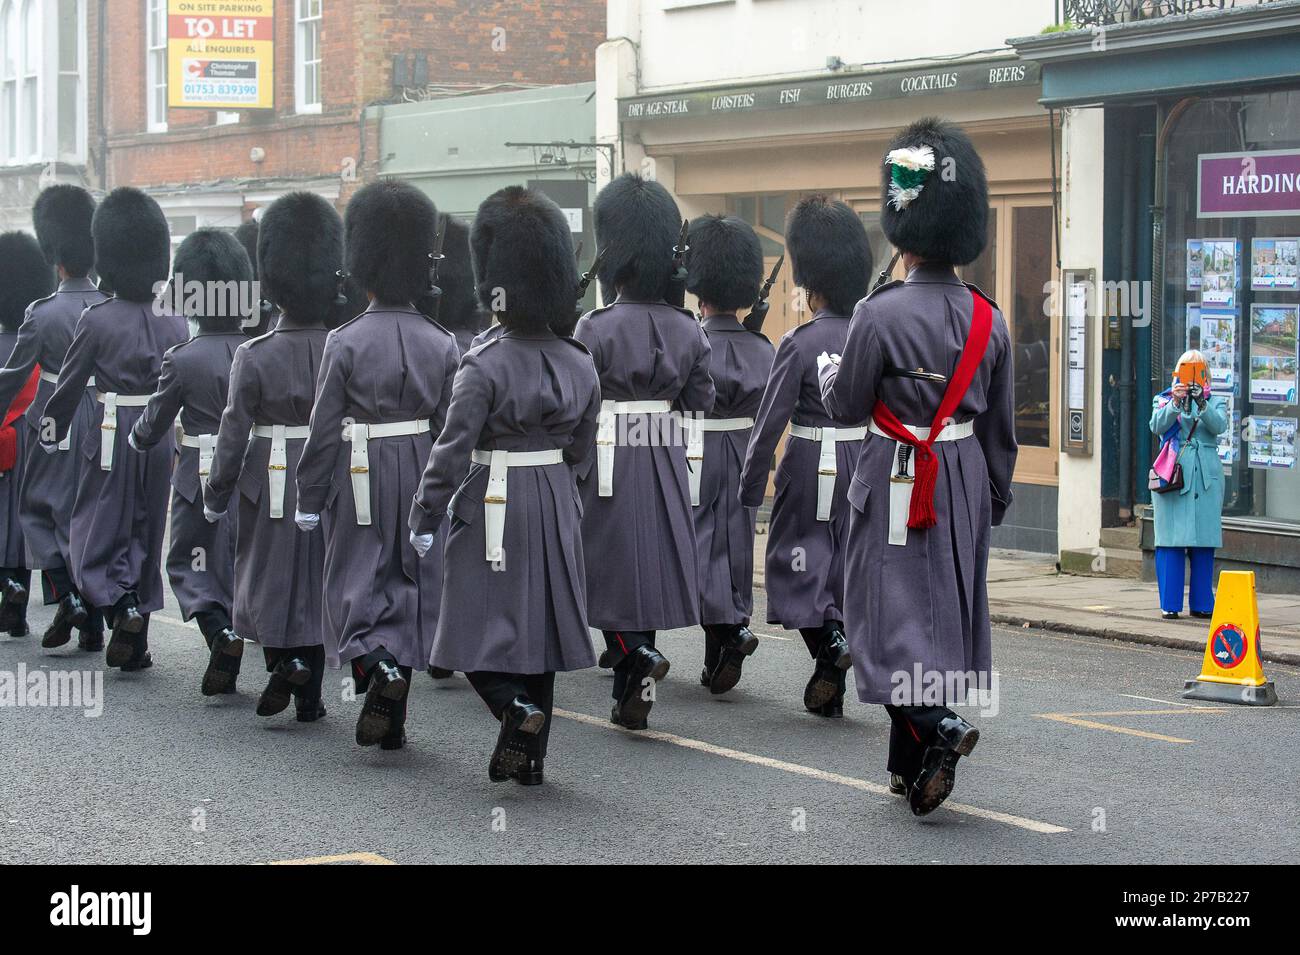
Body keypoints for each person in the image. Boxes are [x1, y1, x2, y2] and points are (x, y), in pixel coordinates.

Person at [819, 118, 1017, 815]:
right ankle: (908, 767)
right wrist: (990, 500)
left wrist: (830, 370)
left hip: (896, 474)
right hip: (959, 479)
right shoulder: (991, 319)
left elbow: (846, 404)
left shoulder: (878, 313)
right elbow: (1000, 427)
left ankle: (937, 728)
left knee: (882, 621)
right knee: (933, 620)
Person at [410, 186, 600, 784]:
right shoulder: (579, 360)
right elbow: (582, 447)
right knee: (538, 632)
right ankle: (531, 761)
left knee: (465, 630)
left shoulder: (483, 363)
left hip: (492, 497)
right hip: (554, 496)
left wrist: (424, 514)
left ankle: (512, 711)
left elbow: (451, 450)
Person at [296, 179, 458, 750]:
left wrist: (309, 497)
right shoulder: (440, 342)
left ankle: (376, 671)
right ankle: (395, 716)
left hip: (358, 470)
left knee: (353, 582)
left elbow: (322, 431)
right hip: (418, 466)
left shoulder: (344, 341)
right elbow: (449, 429)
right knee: (410, 586)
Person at [574, 173, 715, 730]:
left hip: (609, 447)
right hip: (663, 448)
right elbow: (700, 400)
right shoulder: (687, 327)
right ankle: (638, 681)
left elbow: (580, 398)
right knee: (651, 560)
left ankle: (634, 657)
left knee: (605, 563)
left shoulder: (596, 324)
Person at [203, 193, 337, 722]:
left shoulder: (253, 354)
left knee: (266, 577)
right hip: (327, 468)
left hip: (271, 472)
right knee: (319, 578)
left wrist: (215, 494)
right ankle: (311, 694)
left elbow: (233, 432)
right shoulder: (339, 344)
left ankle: (284, 662)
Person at [42, 187, 187, 671]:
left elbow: (68, 385)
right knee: (146, 529)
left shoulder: (97, 319)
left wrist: (51, 428)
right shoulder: (175, 319)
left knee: (95, 532)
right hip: (160, 433)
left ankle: (120, 607)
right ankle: (136, 641)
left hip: (110, 430)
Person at [739, 195, 872, 717]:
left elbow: (769, 422)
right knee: (842, 570)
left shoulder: (798, 341)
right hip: (863, 465)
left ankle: (831, 649)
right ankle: (832, 671)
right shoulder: (872, 332)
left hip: (810, 467)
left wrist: (751, 490)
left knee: (795, 569)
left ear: (810, 281)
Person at [130, 230, 251, 696]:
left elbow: (155, 420)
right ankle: (240, 631)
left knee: (190, 562)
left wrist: (138, 439)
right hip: (250, 470)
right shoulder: (253, 350)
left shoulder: (183, 358)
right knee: (240, 559)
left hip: (198, 473)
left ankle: (219, 632)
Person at [0, 186, 108, 651]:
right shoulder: (109, 306)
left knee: (39, 509)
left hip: (52, 415)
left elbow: (13, 377)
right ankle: (94, 618)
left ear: (55, 255)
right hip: (103, 415)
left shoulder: (42, 314)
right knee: (92, 515)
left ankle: (68, 595)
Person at [683, 214, 774, 694]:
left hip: (697, 446)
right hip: (743, 446)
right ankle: (721, 649)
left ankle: (728, 633)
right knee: (735, 545)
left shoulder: (692, 339)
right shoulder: (762, 345)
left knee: (700, 547)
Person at [0, 231, 55, 638]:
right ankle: (23, 596)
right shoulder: (37, 336)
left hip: (4, 432)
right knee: (28, 518)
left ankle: (9, 587)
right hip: (33, 432)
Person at [1149, 350, 1227, 620]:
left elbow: (1219, 426)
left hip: (1205, 478)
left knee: (1204, 542)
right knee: (1170, 541)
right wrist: (1175, 402)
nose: (1192, 377)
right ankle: (1169, 603)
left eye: (1198, 371)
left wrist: (1201, 404)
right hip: (1174, 474)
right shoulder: (1163, 399)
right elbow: (1156, 425)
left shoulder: (1214, 401)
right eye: (1186, 371)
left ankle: (1203, 603)